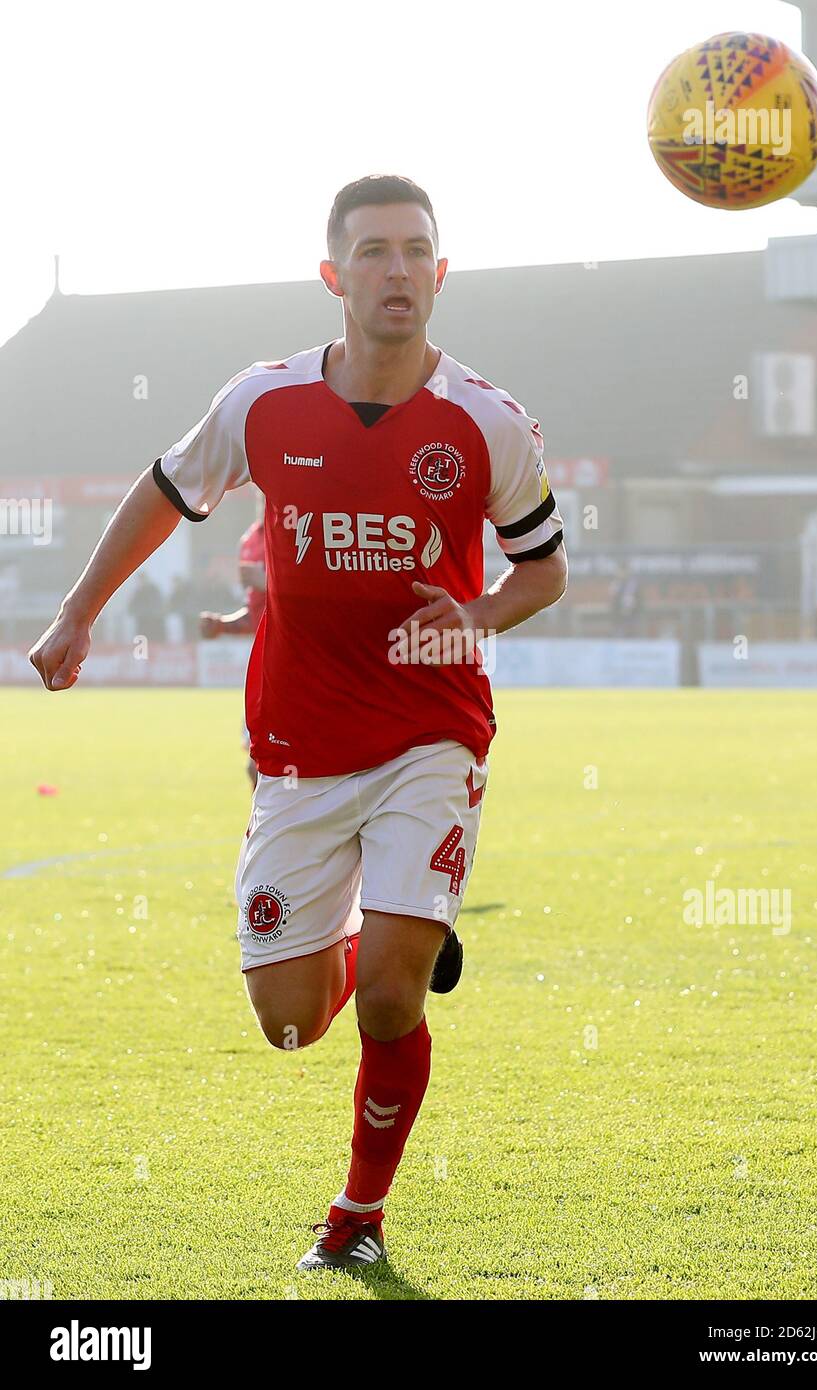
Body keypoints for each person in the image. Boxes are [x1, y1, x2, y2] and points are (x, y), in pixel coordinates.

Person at [28, 173, 568, 1273]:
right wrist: (79, 611)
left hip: (433, 733)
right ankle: (395, 926)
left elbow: (544, 567)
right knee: (287, 1024)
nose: (396, 270)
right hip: (296, 750)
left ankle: (356, 1215)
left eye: (416, 249)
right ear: (333, 276)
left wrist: (474, 613)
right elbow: (167, 491)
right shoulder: (261, 403)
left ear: (441, 272)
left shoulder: (486, 422)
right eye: (372, 251)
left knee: (384, 1001)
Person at [200, 491, 267, 787]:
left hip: (297, 660)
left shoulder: (298, 531)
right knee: (256, 765)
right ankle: (259, 832)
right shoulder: (250, 540)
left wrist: (266, 582)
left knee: (268, 766)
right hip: (264, 663)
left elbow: (314, 597)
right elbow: (256, 611)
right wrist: (223, 625)